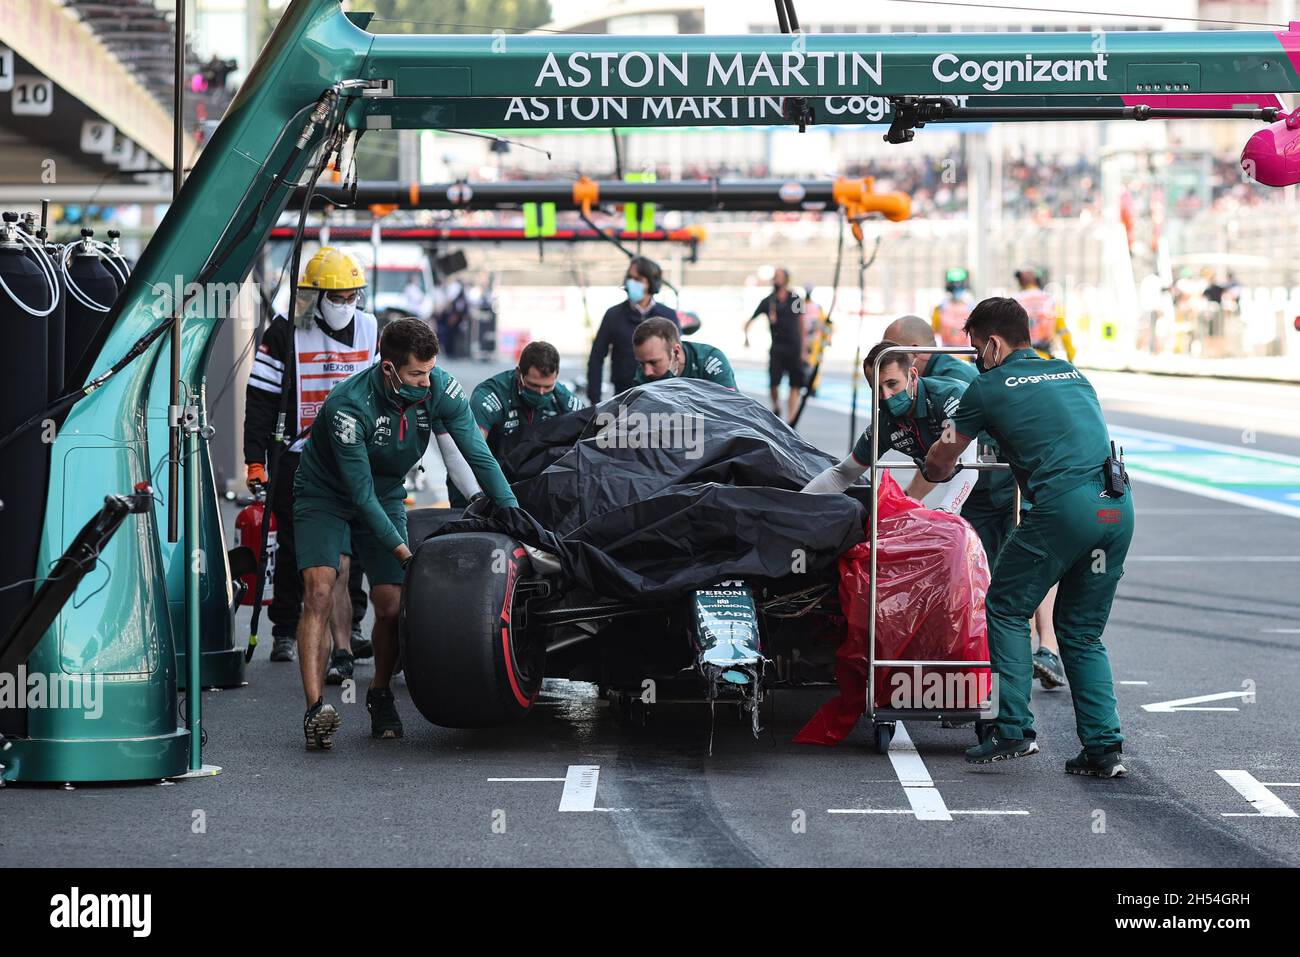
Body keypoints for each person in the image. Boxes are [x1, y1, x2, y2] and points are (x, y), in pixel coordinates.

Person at [923, 297, 1132, 777]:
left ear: (992, 344)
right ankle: (1103, 747)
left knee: (1004, 606)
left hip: (1063, 508)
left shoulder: (986, 387)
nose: (976, 358)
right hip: (1117, 506)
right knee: (1081, 632)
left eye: (977, 349)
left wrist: (937, 455)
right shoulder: (1070, 371)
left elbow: (940, 463)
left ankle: (1011, 729)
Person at [292, 318, 519, 750]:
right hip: (327, 492)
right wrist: (404, 554)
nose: (426, 380)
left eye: (430, 370)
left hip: (387, 490)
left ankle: (378, 692)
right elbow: (359, 495)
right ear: (389, 368)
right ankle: (316, 707)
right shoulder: (348, 405)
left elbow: (478, 454)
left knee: (392, 605)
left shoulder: (439, 388)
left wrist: (513, 511)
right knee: (320, 589)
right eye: (417, 373)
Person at [882, 315, 1065, 690]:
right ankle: (1017, 656)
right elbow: (934, 459)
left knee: (1016, 567)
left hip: (1003, 481)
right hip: (988, 483)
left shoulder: (954, 378)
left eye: (891, 350)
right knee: (1004, 570)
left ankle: (1036, 653)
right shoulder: (915, 389)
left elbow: (955, 451)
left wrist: (911, 505)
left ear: (914, 357)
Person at [243, 246, 377, 668]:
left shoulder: (372, 329)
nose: (344, 305)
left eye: (351, 296)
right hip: (297, 458)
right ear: (315, 295)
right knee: (293, 545)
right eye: (336, 297)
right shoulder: (285, 332)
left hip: (353, 455)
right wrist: (255, 459)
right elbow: (260, 400)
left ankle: (350, 627)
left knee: (349, 544)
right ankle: (284, 630)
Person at [801, 341, 977, 516]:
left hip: (995, 473)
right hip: (968, 484)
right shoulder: (884, 424)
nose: (885, 395)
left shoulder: (948, 398)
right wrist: (795, 505)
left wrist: (945, 511)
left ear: (913, 376)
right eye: (877, 388)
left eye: (892, 384)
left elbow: (969, 465)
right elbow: (841, 475)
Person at [445, 340, 587, 505]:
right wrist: (476, 494)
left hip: (526, 482)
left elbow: (586, 444)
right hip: (480, 478)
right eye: (534, 386)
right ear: (519, 373)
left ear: (556, 376)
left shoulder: (564, 399)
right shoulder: (491, 396)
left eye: (547, 387)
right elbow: (469, 452)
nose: (541, 393)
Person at [586, 256, 679, 403]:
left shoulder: (668, 315)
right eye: (630, 277)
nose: (631, 282)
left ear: (651, 283)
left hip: (661, 398)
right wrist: (594, 399)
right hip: (623, 396)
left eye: (638, 279)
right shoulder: (613, 315)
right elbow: (596, 358)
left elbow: (677, 358)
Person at [744, 267, 806, 423]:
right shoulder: (768, 301)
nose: (776, 279)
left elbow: (801, 323)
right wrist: (746, 337)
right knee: (773, 384)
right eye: (775, 276)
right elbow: (750, 320)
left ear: (786, 279)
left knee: (795, 384)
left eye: (779, 276)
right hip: (777, 347)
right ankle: (776, 405)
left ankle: (792, 419)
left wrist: (804, 348)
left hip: (794, 347)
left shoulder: (795, 298)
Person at [632, 317, 736, 389]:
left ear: (676, 353)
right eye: (641, 363)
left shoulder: (710, 360)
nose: (647, 372)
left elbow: (730, 408)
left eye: (654, 362)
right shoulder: (643, 373)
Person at [1013, 267, 1076, 362]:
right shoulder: (1050, 300)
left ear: (1020, 282)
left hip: (1019, 359)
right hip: (1044, 357)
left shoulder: (1014, 300)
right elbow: (1063, 331)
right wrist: (1070, 355)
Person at [932, 268, 975, 347]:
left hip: (966, 353)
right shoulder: (940, 309)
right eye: (954, 288)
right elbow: (933, 332)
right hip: (946, 353)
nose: (957, 290)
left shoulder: (972, 308)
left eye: (960, 287)